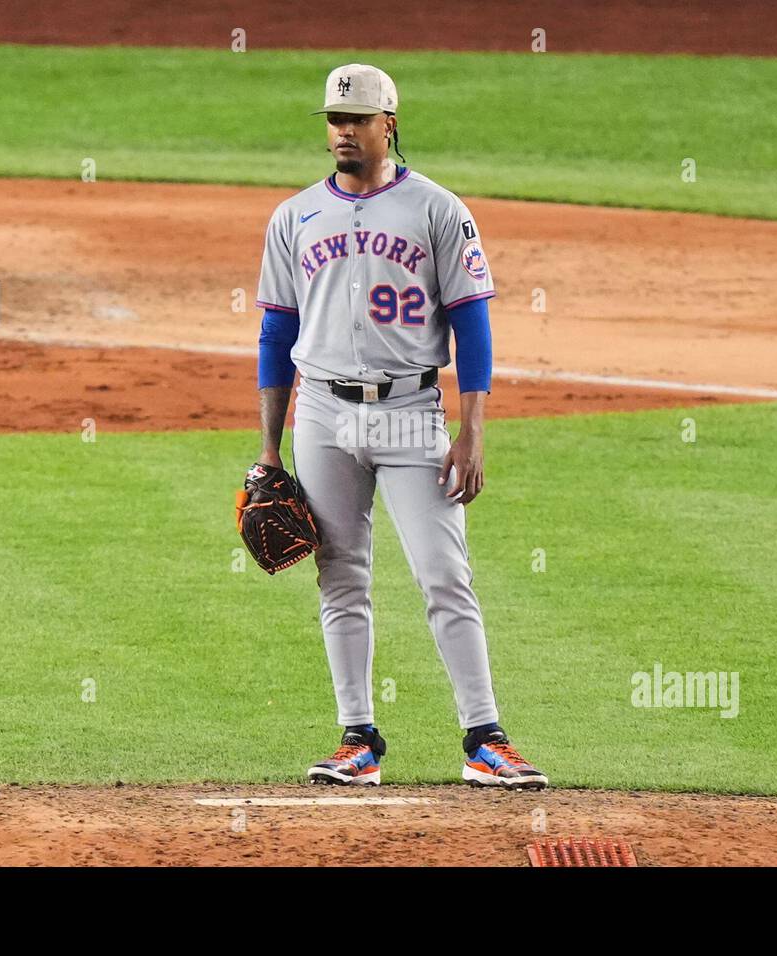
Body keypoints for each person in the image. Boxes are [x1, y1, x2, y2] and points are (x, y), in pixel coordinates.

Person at [252, 64, 546, 790]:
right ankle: (357, 739)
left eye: (357, 120)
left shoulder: (438, 210)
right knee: (339, 576)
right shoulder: (294, 217)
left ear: (390, 123)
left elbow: (472, 325)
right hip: (321, 413)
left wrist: (472, 430)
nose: (343, 132)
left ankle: (485, 738)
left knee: (445, 575)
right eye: (334, 120)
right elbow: (274, 332)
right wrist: (268, 446)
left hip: (414, 413)